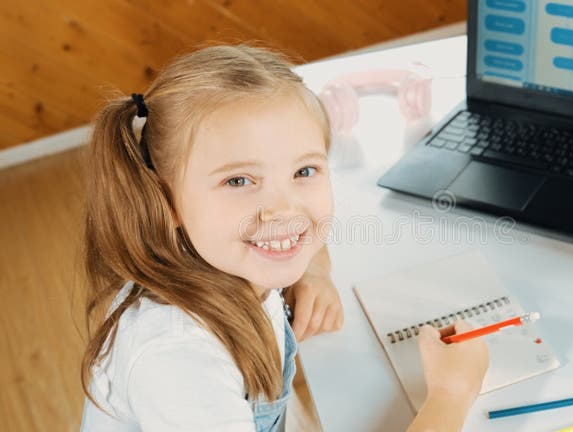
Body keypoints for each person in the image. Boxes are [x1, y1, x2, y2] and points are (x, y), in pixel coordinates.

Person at [78, 44, 489, 432]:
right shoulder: (177, 359)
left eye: (303, 172)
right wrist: (450, 395)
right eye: (238, 180)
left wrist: (313, 271)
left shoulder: (224, 253)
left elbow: (304, 233)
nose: (283, 209)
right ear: (164, 200)